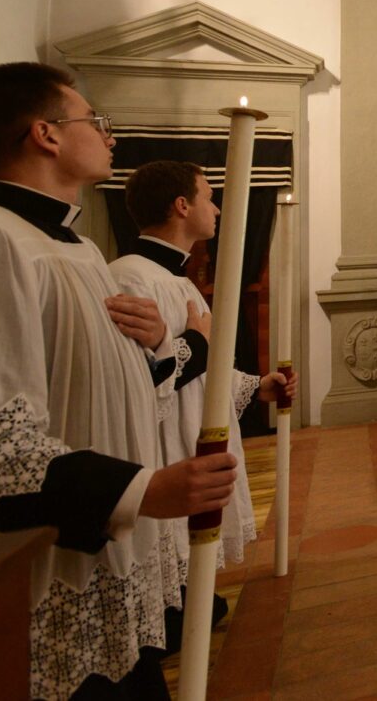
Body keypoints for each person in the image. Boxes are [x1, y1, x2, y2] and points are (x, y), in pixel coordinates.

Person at [0, 62, 239, 700]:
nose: (109, 136)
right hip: (47, 566)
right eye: (94, 122)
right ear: (45, 134)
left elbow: (113, 387)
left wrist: (167, 346)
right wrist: (143, 488)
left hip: (104, 553)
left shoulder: (79, 253)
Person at [109, 160, 298, 646]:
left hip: (190, 429)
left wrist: (259, 387)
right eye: (209, 197)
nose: (216, 208)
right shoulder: (129, 277)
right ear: (181, 205)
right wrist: (195, 340)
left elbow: (201, 377)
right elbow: (137, 379)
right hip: (162, 443)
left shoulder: (182, 280)